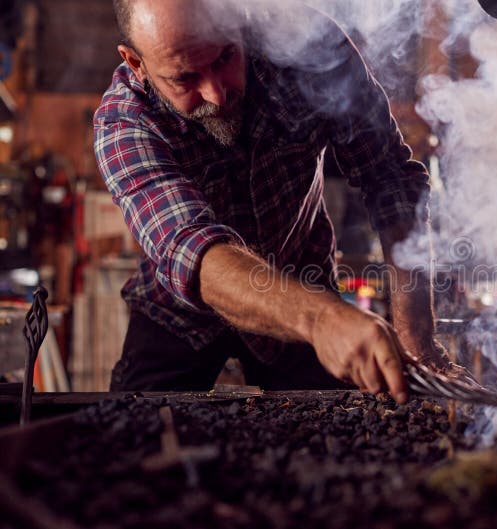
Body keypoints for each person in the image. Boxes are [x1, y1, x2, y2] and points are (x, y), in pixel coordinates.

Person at [94, 0, 454, 402]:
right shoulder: (124, 124)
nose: (215, 92)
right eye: (185, 78)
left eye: (225, 57)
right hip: (178, 317)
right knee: (133, 440)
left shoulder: (314, 50)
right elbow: (195, 253)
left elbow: (388, 176)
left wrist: (415, 335)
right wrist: (321, 320)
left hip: (303, 285)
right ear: (137, 63)